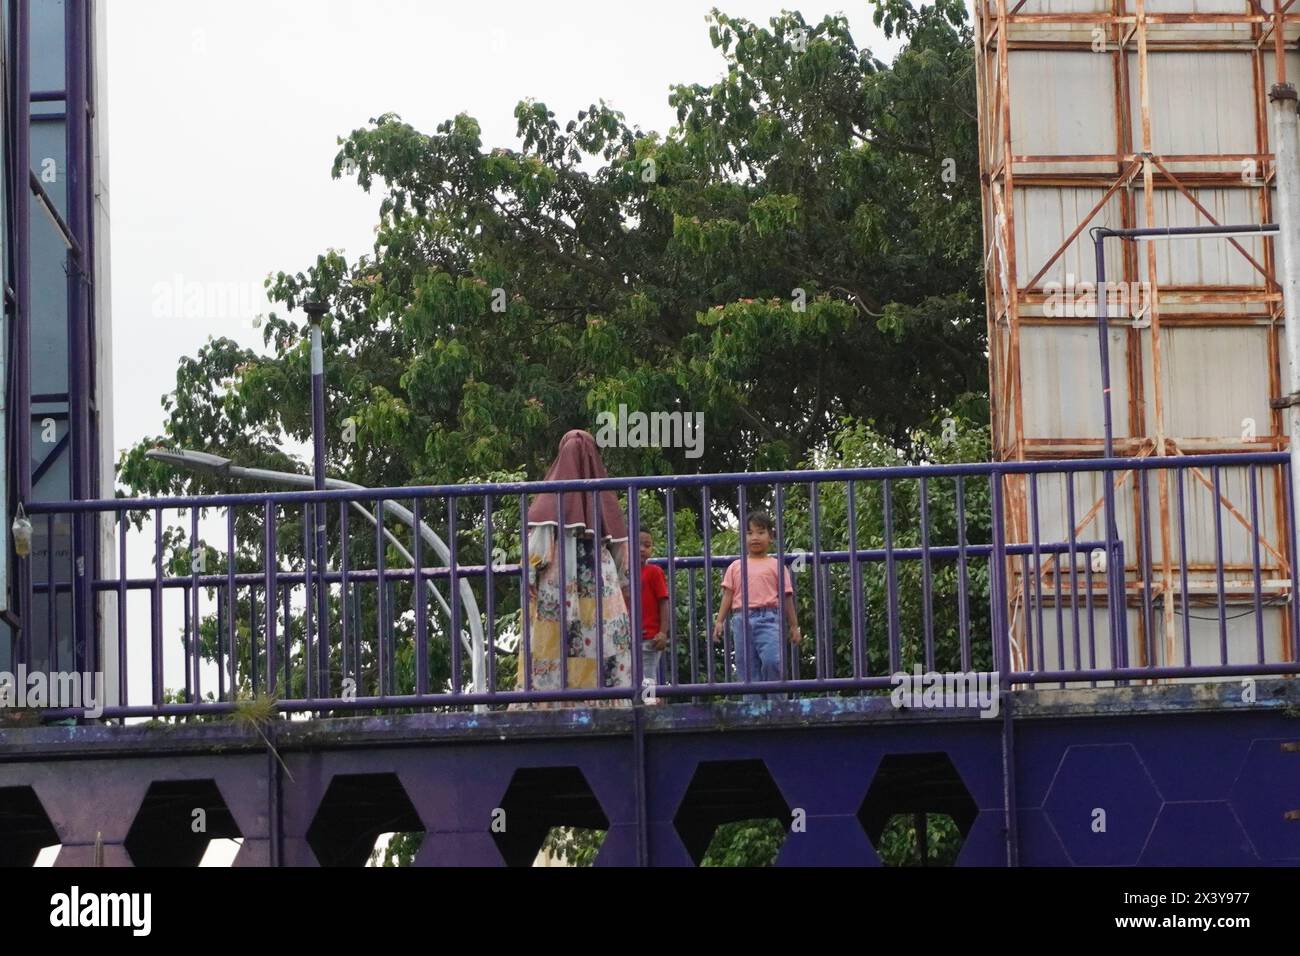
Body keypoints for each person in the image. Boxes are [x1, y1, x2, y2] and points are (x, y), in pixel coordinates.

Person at [515, 430, 633, 707]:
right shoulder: (604, 499)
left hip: (557, 583)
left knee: (553, 642)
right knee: (602, 639)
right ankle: (606, 701)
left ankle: (549, 703)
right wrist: (623, 584)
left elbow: (536, 551)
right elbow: (621, 554)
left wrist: (530, 576)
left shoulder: (550, 499)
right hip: (600, 582)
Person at [711, 511, 801, 700]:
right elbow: (728, 595)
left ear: (771, 536)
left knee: (773, 660)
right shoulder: (735, 566)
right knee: (747, 668)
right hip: (741, 619)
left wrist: (794, 626)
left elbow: (787, 597)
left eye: (760, 532)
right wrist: (719, 621)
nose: (755, 537)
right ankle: (753, 707)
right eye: (749, 533)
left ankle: (777, 703)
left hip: (769, 617)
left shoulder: (777, 565)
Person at [637, 530, 671, 696]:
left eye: (647, 545)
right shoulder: (623, 573)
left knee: (648, 678)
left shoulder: (654, 572)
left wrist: (663, 632)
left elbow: (664, 602)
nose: (642, 549)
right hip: (628, 638)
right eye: (638, 544)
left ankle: (649, 705)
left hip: (650, 637)